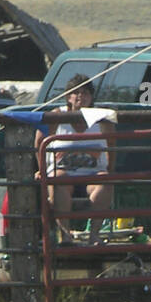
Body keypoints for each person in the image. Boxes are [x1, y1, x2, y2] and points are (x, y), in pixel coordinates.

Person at [37, 75, 115, 244]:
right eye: (76, 92)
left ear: (92, 97)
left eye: (86, 93)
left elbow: (112, 143)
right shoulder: (56, 116)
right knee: (58, 179)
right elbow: (39, 139)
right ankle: (65, 234)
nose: (81, 96)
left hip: (92, 174)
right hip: (63, 174)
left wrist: (110, 168)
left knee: (106, 181)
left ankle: (94, 234)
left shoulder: (101, 119)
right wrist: (41, 168)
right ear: (67, 97)